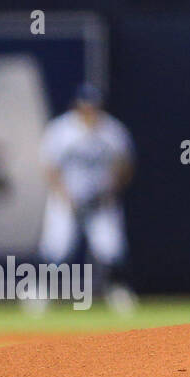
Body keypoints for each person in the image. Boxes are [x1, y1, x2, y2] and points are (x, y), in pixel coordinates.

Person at [38, 84, 136, 311]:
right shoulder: (61, 130)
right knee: (56, 247)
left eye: (94, 107)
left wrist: (111, 190)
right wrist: (64, 194)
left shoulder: (112, 130)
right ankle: (39, 292)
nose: (90, 111)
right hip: (66, 199)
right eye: (86, 106)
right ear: (77, 106)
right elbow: (49, 167)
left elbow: (125, 164)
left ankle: (119, 293)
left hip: (100, 201)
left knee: (111, 247)